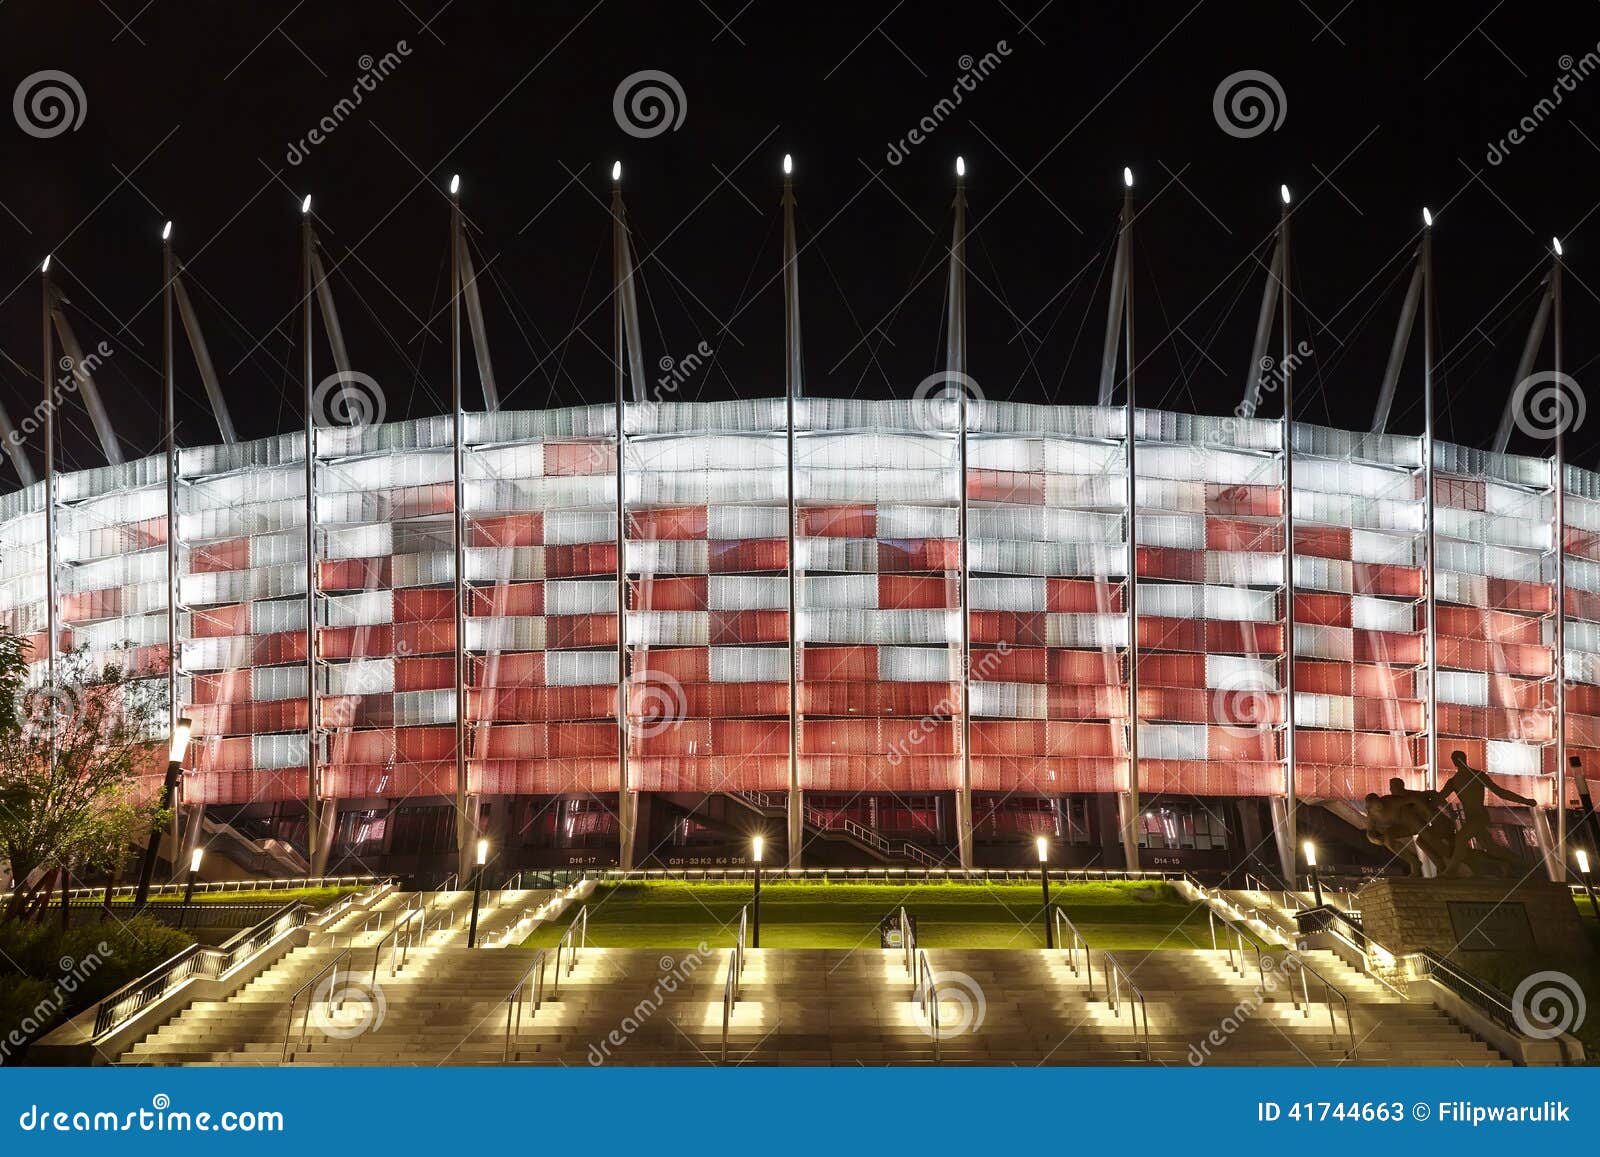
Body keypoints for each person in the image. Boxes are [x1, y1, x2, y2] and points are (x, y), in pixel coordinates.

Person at [1437, 750, 1537, 876]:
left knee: (1461, 838)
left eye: (1458, 759)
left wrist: (1525, 801)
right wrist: (1449, 809)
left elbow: (1500, 792)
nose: (1457, 762)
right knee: (1491, 848)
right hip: (1472, 818)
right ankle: (1524, 865)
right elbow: (1439, 797)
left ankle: (1451, 871)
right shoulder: (1454, 781)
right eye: (1456, 760)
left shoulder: (1476, 776)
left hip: (1479, 817)